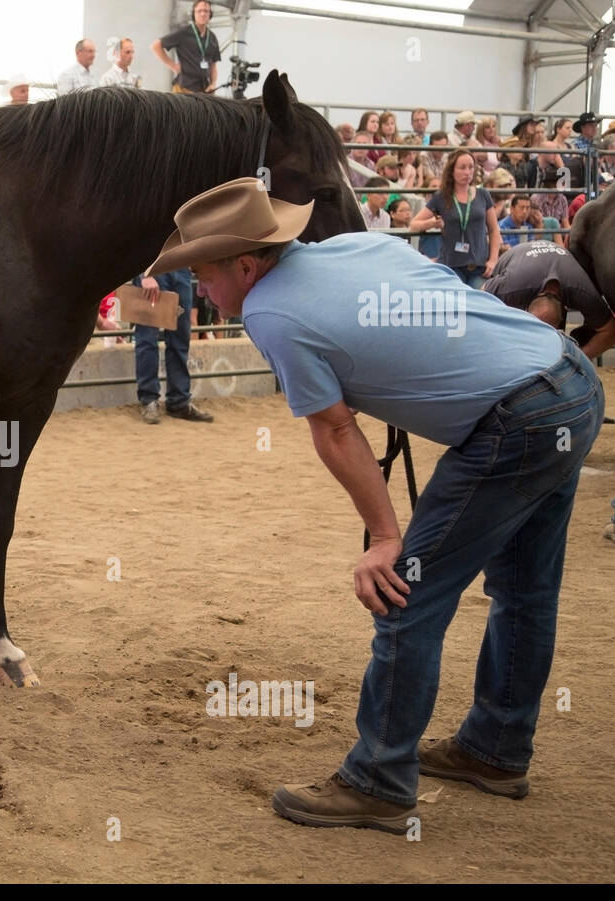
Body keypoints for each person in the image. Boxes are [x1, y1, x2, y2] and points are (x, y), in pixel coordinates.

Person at [154, 177, 604, 833]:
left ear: (246, 265)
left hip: (518, 419)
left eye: (203, 274)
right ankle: (497, 748)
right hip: (569, 379)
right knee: (524, 589)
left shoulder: (268, 313)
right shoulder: (353, 248)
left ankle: (379, 780)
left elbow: (335, 429)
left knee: (404, 591)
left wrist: (386, 536)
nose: (200, 290)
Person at [484, 239, 615, 358]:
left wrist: (577, 360)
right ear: (526, 311)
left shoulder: (581, 291)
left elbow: (610, 331)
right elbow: (479, 296)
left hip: (553, 265)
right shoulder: (508, 288)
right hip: (516, 261)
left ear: (561, 320)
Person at [409, 148, 501, 288]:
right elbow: (413, 224)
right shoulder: (441, 197)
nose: (467, 172)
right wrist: (431, 223)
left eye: (471, 167)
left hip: (479, 265)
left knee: (478, 301)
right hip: (451, 265)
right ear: (452, 170)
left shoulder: (483, 195)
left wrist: (493, 260)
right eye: (462, 168)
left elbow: (494, 230)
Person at [132, 268, 211, 424]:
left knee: (180, 337)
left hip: (180, 268)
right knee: (148, 338)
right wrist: (145, 274)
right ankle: (149, 400)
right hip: (154, 268)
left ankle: (179, 401)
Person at [152, 1, 219, 94]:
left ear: (210, 14)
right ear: (193, 14)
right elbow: (156, 45)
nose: (203, 14)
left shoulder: (212, 38)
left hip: (204, 90)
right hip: (184, 88)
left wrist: (213, 83)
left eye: (206, 11)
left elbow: (213, 65)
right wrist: (173, 66)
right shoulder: (184, 33)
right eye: (199, 11)